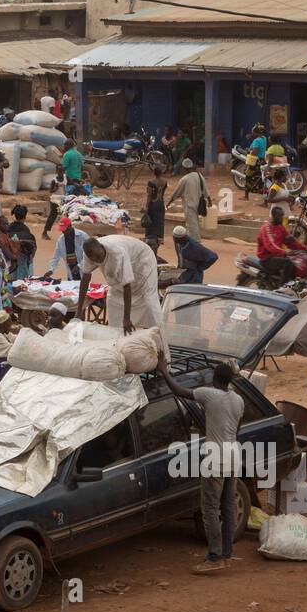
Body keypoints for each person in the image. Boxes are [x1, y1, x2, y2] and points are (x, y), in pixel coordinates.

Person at [157, 350, 243, 573]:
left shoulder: (209, 394)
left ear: (214, 379)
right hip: (234, 455)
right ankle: (227, 554)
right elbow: (234, 429)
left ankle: (214, 557)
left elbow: (178, 391)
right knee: (228, 506)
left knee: (211, 509)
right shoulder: (238, 399)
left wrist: (164, 371)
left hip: (215, 458)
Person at [77, 234, 162, 335]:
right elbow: (85, 278)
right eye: (94, 259)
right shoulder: (89, 254)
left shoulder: (118, 253)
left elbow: (126, 286)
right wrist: (79, 311)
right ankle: (118, 340)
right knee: (113, 300)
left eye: (99, 257)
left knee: (148, 302)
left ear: (101, 247)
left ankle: (159, 339)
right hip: (124, 269)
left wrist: (126, 318)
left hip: (142, 262)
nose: (97, 260)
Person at [257, 205, 307, 286]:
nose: (282, 218)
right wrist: (285, 252)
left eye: (282, 215)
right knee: (288, 263)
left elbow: (290, 242)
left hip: (277, 256)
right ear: (274, 216)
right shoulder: (266, 228)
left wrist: (306, 249)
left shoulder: (280, 227)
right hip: (266, 259)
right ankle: (282, 288)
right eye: (280, 216)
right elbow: (271, 246)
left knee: (298, 261)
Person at [167, 159, 209, 244]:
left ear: (184, 168)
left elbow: (176, 192)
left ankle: (196, 242)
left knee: (192, 225)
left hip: (189, 205)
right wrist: (209, 199)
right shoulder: (199, 175)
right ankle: (193, 240)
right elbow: (205, 189)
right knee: (194, 223)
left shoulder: (184, 179)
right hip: (199, 204)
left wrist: (169, 202)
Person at [7, 205, 37, 280]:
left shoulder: (7, 230)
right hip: (23, 268)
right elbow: (32, 252)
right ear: (25, 217)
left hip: (10, 266)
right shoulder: (28, 233)